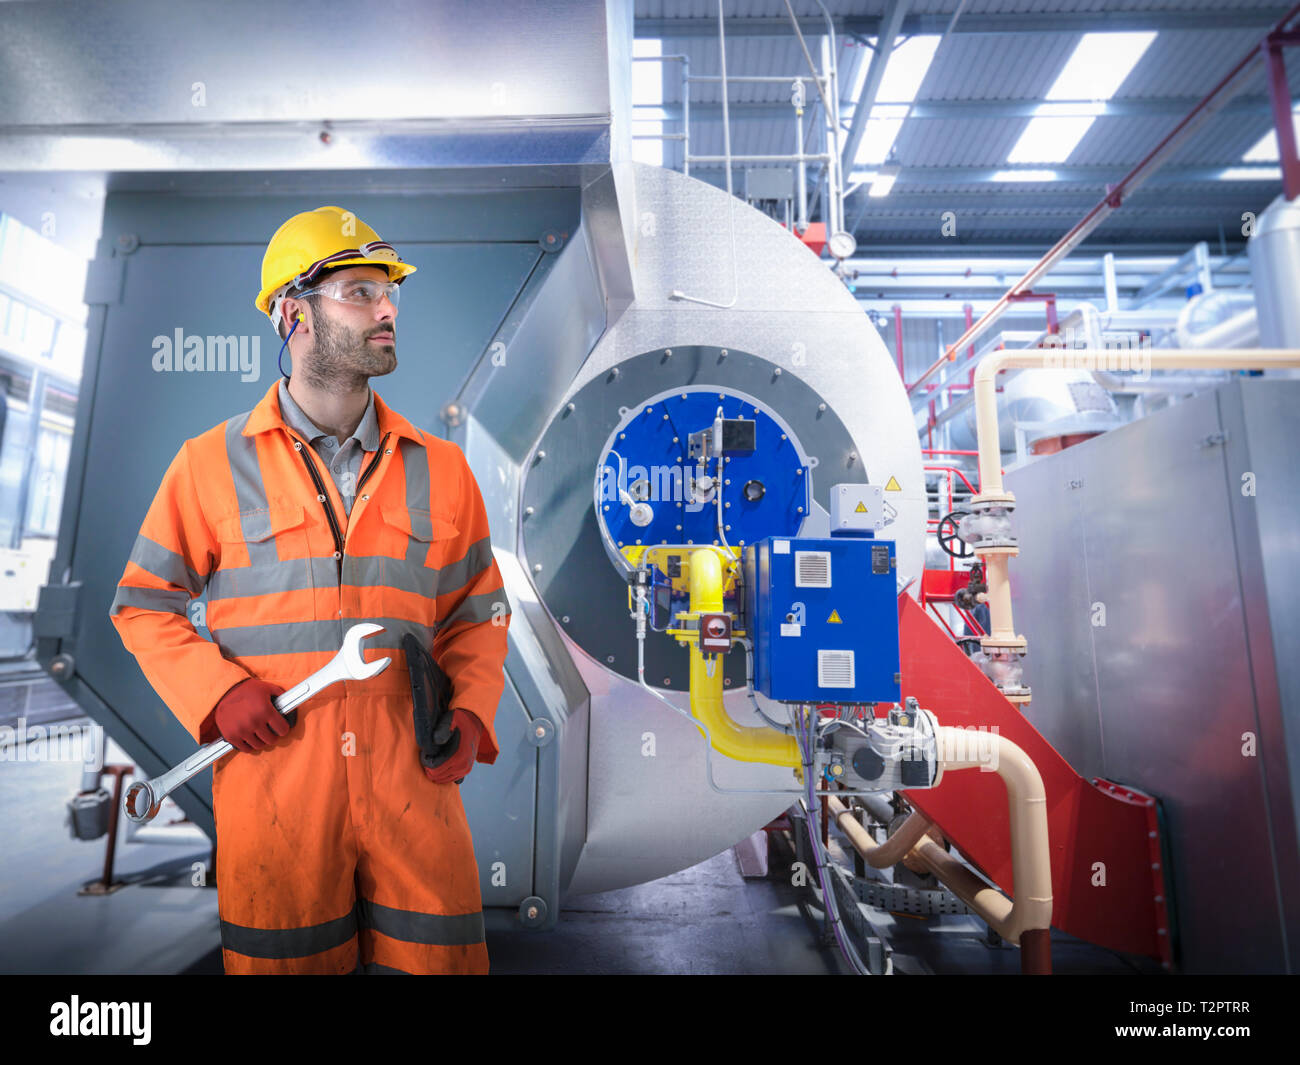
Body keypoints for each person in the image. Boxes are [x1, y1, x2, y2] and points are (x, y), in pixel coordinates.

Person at [109, 205, 510, 974]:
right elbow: (144, 602)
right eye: (360, 292)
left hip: (415, 788)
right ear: (292, 314)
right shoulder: (208, 464)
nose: (387, 309)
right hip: (276, 792)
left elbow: (480, 611)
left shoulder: (442, 468)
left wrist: (469, 711)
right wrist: (216, 693)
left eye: (390, 292)